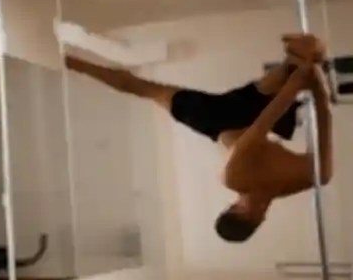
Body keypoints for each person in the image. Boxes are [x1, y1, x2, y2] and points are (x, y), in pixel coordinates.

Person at [65, 34, 333, 244]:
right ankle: (298, 57)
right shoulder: (311, 177)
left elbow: (261, 126)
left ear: (233, 208)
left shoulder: (233, 177)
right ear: (260, 221)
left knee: (143, 88)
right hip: (257, 117)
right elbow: (324, 121)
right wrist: (318, 88)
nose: (258, 210)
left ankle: (70, 61)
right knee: (294, 70)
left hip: (217, 119)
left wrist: (296, 84)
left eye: (246, 211)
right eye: (258, 216)